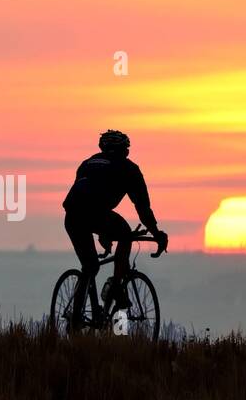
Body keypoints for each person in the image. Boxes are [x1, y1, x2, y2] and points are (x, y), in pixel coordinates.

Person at [62, 130, 168, 315]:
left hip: (73, 216)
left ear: (102, 148)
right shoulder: (129, 169)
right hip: (95, 214)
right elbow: (142, 207)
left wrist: (104, 233)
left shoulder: (87, 164)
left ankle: (75, 321)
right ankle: (116, 287)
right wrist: (157, 233)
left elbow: (88, 198)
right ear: (126, 151)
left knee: (90, 267)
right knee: (125, 234)